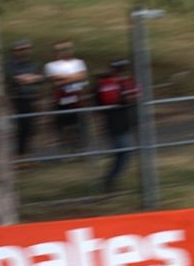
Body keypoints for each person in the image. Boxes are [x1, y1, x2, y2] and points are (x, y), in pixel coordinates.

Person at [94, 60, 138, 191]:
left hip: (122, 122)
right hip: (116, 123)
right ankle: (109, 181)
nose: (122, 72)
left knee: (123, 153)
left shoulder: (120, 83)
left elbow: (133, 96)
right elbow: (124, 99)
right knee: (124, 152)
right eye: (120, 69)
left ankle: (109, 180)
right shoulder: (110, 84)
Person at [44, 39, 89, 153]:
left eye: (67, 49)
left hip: (78, 100)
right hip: (61, 100)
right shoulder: (51, 65)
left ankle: (82, 149)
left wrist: (63, 79)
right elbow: (55, 81)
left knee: (80, 125)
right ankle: (66, 150)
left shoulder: (79, 62)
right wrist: (74, 77)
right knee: (63, 126)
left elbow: (82, 76)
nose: (65, 51)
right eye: (61, 49)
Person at [6, 39, 44, 157]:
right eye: (21, 49)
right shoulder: (10, 65)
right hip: (19, 99)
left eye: (26, 49)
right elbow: (15, 79)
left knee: (31, 127)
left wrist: (32, 79)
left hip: (32, 98)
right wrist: (31, 78)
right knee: (20, 127)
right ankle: (20, 154)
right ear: (15, 51)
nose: (24, 51)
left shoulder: (34, 64)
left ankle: (28, 152)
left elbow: (41, 77)